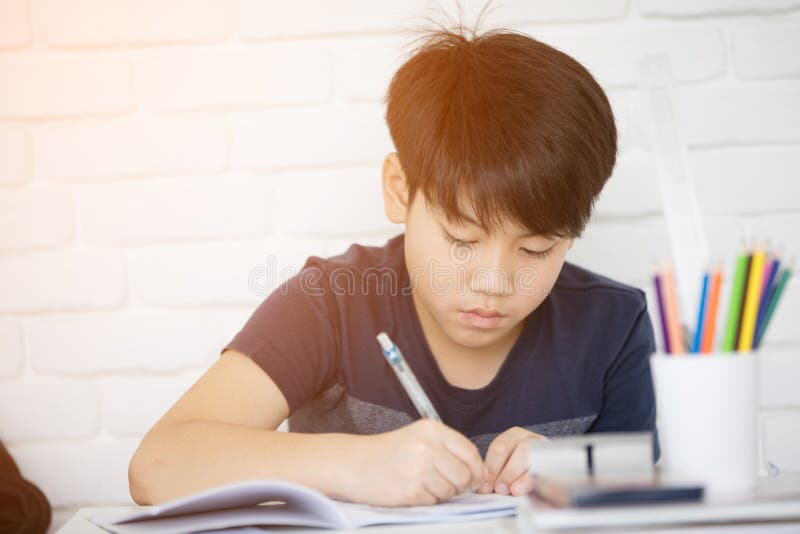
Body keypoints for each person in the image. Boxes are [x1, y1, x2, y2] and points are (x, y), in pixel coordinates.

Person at [128, 11, 659, 508]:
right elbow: (158, 463)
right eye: (461, 239)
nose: (494, 281)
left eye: (537, 248)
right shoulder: (331, 304)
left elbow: (647, 489)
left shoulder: (613, 325)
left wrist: (576, 469)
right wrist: (355, 465)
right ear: (399, 190)